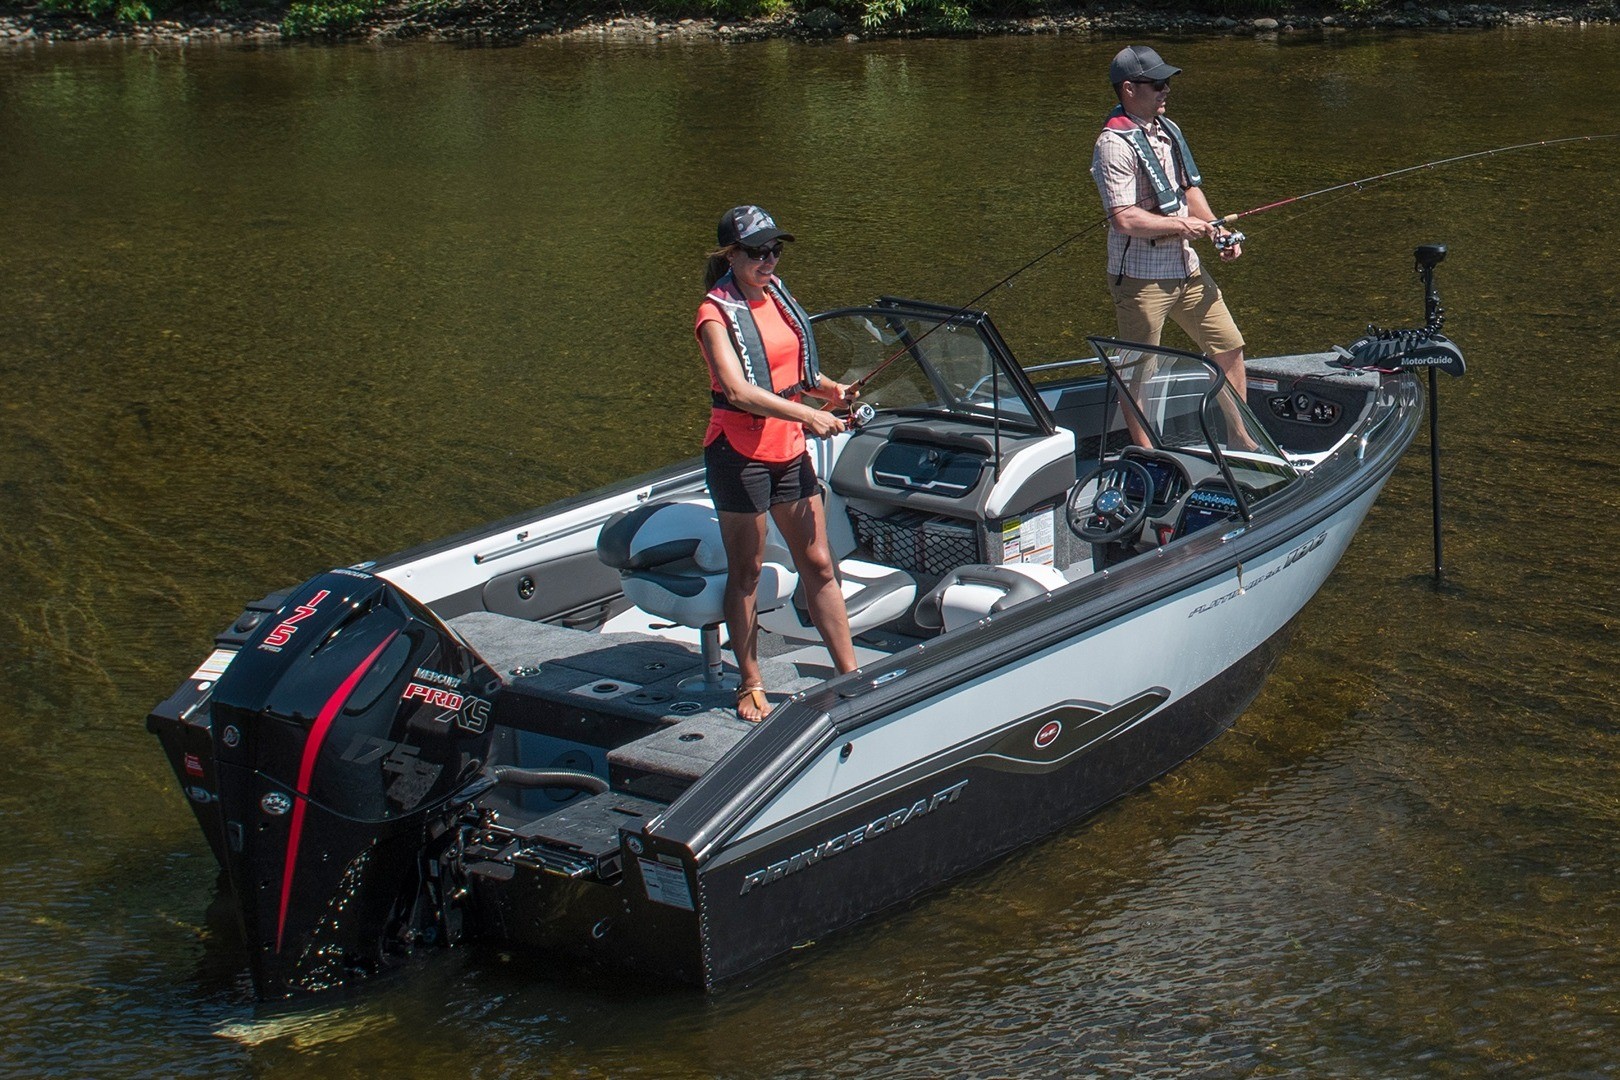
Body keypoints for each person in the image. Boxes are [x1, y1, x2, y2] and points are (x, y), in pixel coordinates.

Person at [696, 205, 859, 722]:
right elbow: (741, 391)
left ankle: (851, 675)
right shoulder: (713, 314)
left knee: (818, 564)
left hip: (788, 449)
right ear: (731, 255)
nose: (770, 260)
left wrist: (832, 391)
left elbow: (794, 370)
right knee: (746, 571)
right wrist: (809, 417)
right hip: (738, 454)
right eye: (759, 252)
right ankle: (749, 681)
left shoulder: (777, 296)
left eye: (776, 250)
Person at [1090, 45, 1253, 448]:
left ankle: (1242, 443)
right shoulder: (1113, 144)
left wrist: (1216, 231)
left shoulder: (1168, 130)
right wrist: (1182, 224)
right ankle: (1146, 454)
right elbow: (1124, 218)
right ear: (1129, 89)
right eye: (1157, 84)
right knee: (1140, 370)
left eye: (1167, 83)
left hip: (1187, 268)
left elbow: (1188, 189)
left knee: (1229, 347)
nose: (1166, 90)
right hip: (1143, 279)